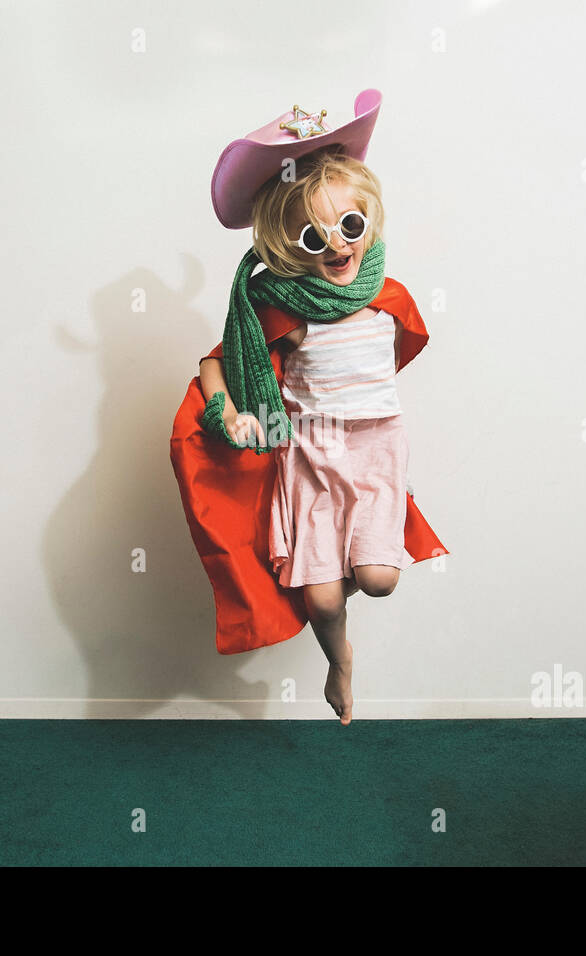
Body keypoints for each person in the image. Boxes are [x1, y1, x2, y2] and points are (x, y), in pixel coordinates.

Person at [169, 90, 448, 724]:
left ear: (369, 220)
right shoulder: (284, 312)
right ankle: (339, 662)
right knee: (323, 600)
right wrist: (230, 414)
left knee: (378, 579)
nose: (337, 246)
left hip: (374, 454)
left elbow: (394, 356)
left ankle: (353, 563)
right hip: (311, 458)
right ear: (287, 246)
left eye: (350, 226)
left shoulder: (388, 297)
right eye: (312, 237)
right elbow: (218, 365)